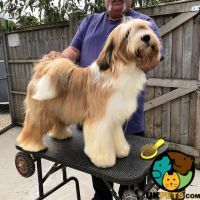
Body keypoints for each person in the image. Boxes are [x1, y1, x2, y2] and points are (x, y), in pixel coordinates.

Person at [44, 0, 163, 199]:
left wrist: (130, 55)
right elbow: (73, 51)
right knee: (101, 179)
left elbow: (153, 59)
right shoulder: (89, 22)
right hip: (91, 114)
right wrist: (59, 58)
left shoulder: (144, 22)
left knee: (131, 188)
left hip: (129, 124)